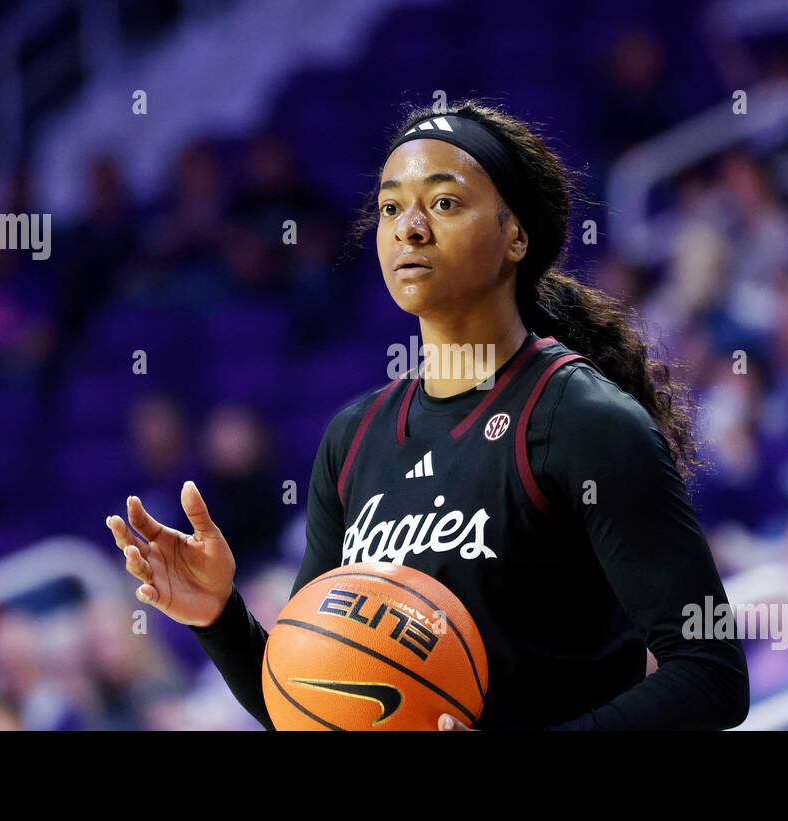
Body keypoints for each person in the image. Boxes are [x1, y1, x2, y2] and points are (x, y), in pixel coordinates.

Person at [104, 101, 749, 730]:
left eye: (444, 202)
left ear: (515, 234)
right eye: (390, 207)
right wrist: (218, 617)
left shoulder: (583, 419)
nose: (409, 227)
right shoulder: (353, 439)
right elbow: (312, 701)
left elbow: (711, 673)